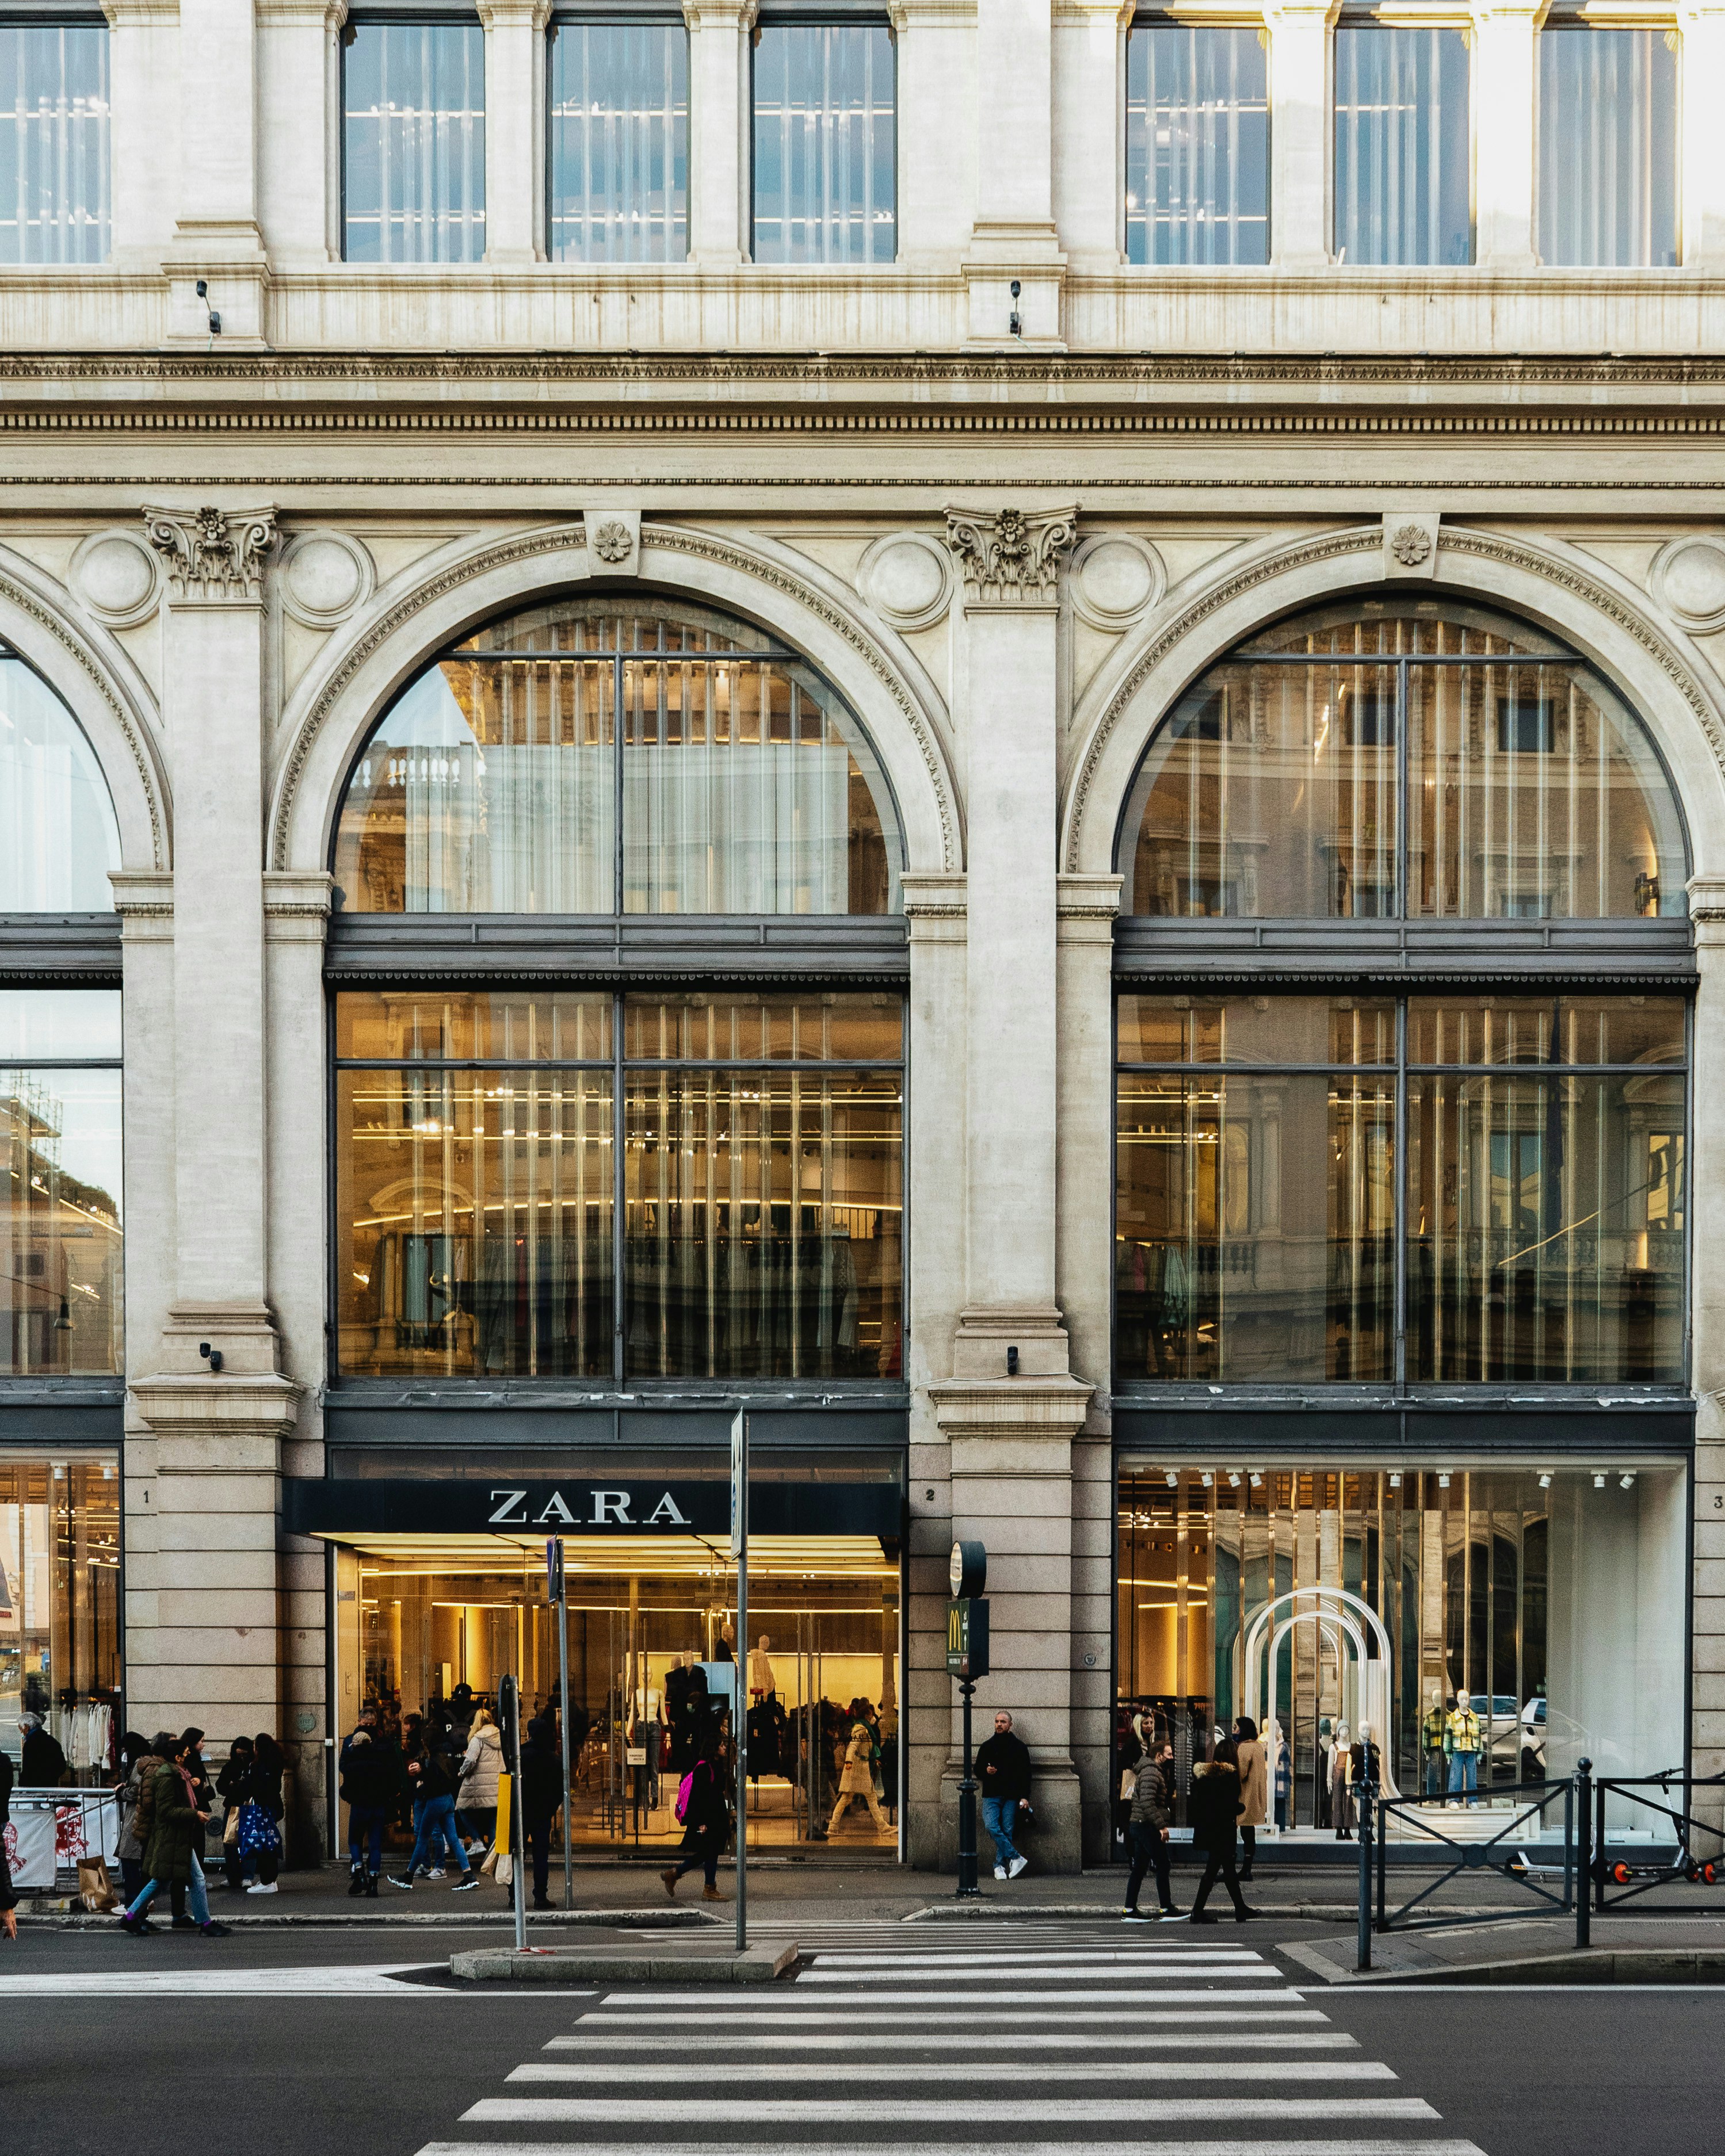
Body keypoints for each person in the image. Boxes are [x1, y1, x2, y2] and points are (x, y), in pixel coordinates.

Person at [116, 1729, 229, 1937]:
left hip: (177, 1835)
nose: (189, 1756)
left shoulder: (177, 1774)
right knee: (179, 1879)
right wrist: (194, 1814)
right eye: (185, 1754)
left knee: (168, 1880)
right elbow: (165, 1810)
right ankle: (204, 1923)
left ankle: (131, 1917)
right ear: (176, 1757)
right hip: (172, 1835)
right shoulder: (167, 1775)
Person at [387, 1730, 476, 1891]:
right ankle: (469, 1875)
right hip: (449, 1799)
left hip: (436, 1801)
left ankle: (408, 1876)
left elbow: (431, 1782)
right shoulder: (446, 1754)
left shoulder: (433, 1759)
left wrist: (421, 1776)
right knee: (454, 1840)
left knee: (422, 1838)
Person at [1188, 1731, 1255, 1925]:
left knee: (1227, 1871)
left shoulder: (1204, 1776)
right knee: (1214, 1872)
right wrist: (1241, 1808)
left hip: (1209, 1831)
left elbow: (1199, 1804)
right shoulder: (1230, 1775)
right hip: (1223, 1831)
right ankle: (1197, 1912)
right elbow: (1229, 1805)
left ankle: (1240, 1909)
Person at [659, 1717, 729, 1902]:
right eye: (722, 1745)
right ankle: (705, 1887)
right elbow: (699, 1798)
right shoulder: (703, 1769)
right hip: (703, 1822)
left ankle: (676, 1874)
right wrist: (702, 1823)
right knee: (709, 1851)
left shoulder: (715, 1766)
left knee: (710, 1851)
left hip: (713, 1819)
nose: (725, 1748)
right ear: (714, 1747)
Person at [1121, 1741, 1179, 1922]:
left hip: (1141, 1824)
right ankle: (1166, 1908)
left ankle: (1129, 1910)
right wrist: (1161, 1826)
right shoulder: (1152, 1772)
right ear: (1159, 1755)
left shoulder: (1150, 1771)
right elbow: (1147, 1802)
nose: (1172, 1758)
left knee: (1139, 1868)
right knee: (1163, 1864)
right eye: (1169, 1754)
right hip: (1146, 1826)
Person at [339, 1722, 396, 1895]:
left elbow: (345, 1791)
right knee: (375, 1846)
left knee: (354, 1841)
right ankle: (373, 1883)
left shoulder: (351, 1765)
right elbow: (390, 1787)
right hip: (378, 1808)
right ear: (371, 1743)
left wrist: (352, 1798)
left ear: (355, 1745)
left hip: (359, 1808)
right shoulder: (381, 1763)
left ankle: (359, 1872)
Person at [975, 1709, 1032, 1880]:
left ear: (1010, 1725)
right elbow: (977, 1770)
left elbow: (1026, 1774)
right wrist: (986, 1770)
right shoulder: (987, 1746)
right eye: (997, 1721)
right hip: (992, 1794)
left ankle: (999, 1866)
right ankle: (1016, 1857)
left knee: (1007, 1829)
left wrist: (1024, 1797)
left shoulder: (1020, 1747)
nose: (999, 1724)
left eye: (1003, 1722)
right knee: (991, 1826)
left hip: (1012, 1795)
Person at [518, 1712, 563, 1912]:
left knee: (517, 1855)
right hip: (542, 1814)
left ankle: (514, 1896)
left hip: (521, 1814)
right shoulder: (553, 1759)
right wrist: (550, 1809)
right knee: (541, 1857)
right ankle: (540, 1896)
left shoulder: (520, 1756)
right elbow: (558, 1790)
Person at [239, 1731, 287, 1894]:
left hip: (262, 1808)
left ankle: (268, 1881)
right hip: (272, 1806)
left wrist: (247, 1779)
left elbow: (256, 1788)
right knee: (267, 1843)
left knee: (264, 1845)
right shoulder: (275, 1763)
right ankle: (269, 1880)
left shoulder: (259, 1766)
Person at [457, 1706, 503, 1857]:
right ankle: (493, 1856)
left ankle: (476, 1841)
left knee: (462, 1808)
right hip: (497, 1784)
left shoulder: (478, 1738)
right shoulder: (499, 1735)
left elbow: (470, 1760)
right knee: (492, 1820)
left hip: (478, 1785)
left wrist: (462, 1772)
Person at [827, 1722, 890, 1833]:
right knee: (869, 1797)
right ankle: (883, 1826)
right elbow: (853, 1746)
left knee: (847, 1798)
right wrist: (849, 1761)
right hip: (859, 1769)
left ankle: (833, 1826)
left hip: (858, 1768)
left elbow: (859, 1749)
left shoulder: (861, 1730)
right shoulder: (861, 1730)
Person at [215, 1735, 255, 1893]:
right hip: (233, 1805)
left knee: (247, 1842)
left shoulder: (252, 1766)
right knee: (229, 1843)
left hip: (246, 1805)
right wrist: (230, 1785)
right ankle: (233, 1876)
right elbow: (220, 1786)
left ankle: (247, 1876)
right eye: (239, 1754)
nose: (242, 1757)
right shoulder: (230, 1767)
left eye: (244, 1754)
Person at [1234, 1715, 1266, 1881]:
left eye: (1236, 1727)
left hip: (1243, 1796)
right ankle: (1247, 1868)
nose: (1233, 1730)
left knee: (1236, 1832)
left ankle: (1239, 1870)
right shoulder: (1258, 1747)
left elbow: (1240, 1772)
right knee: (1249, 1833)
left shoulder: (1244, 1748)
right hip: (1256, 1796)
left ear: (1243, 1729)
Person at [18, 1712, 69, 1788]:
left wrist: (22, 1786)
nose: (21, 1732)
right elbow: (62, 1766)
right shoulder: (52, 1741)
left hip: (34, 1788)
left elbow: (27, 1770)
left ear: (26, 1727)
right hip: (51, 1786)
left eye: (21, 1729)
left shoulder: (30, 1744)